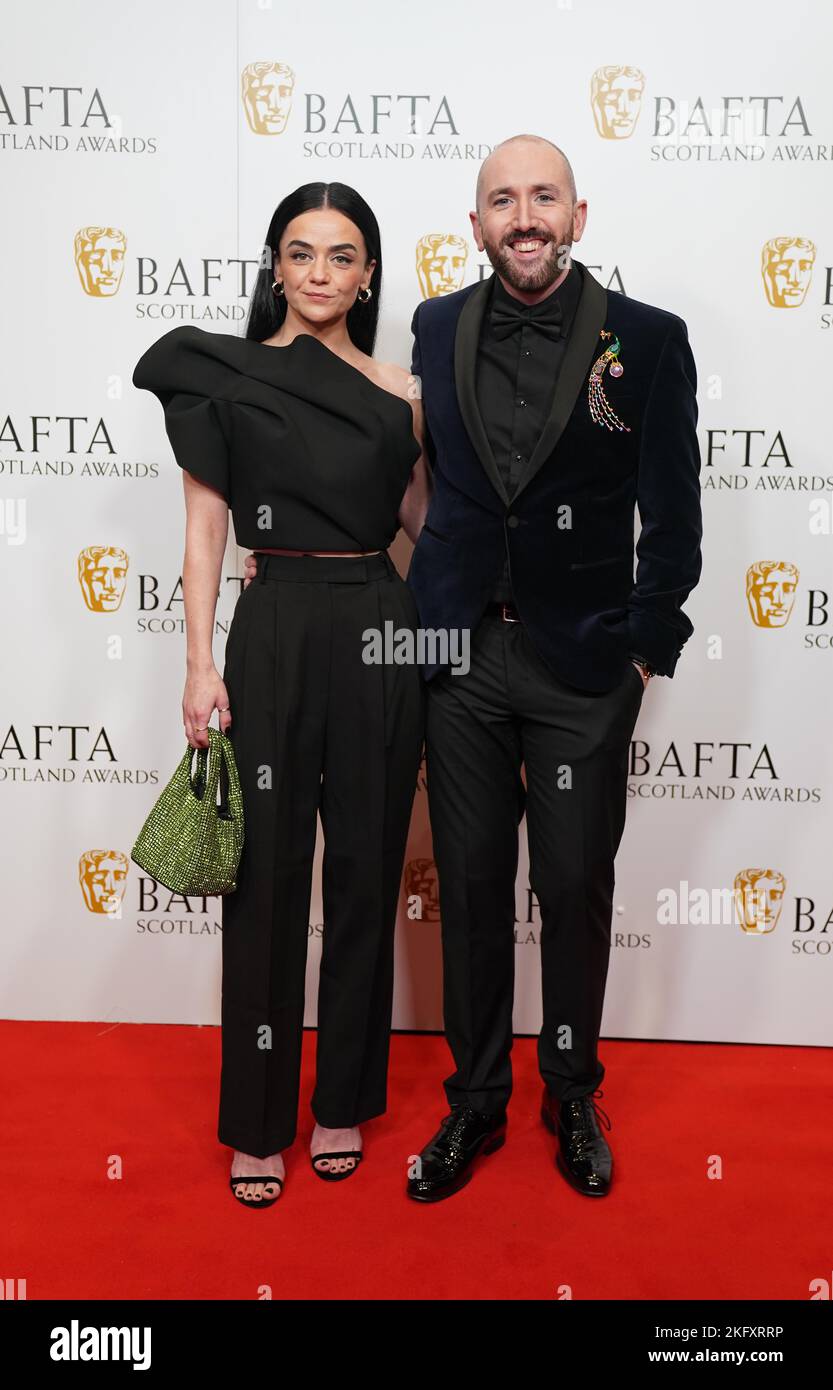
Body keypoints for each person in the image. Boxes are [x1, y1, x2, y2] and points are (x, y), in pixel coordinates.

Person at [400, 133, 703, 1200]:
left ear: (578, 216)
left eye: (542, 198)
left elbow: (672, 521)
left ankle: (568, 1090)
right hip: (462, 661)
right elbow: (429, 490)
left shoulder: (649, 340)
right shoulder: (433, 326)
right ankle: (474, 1104)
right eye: (500, 200)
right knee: (474, 891)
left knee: (571, 888)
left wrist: (636, 661)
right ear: (474, 222)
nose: (521, 217)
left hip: (584, 669)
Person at [133, 182, 430, 1208]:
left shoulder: (402, 392)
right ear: (275, 266)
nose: (318, 273)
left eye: (340, 256)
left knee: (363, 872)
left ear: (367, 275)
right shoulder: (227, 379)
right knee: (262, 886)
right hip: (270, 627)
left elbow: (427, 535)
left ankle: (340, 1101)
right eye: (299, 253)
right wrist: (197, 662)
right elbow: (207, 531)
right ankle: (260, 1124)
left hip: (377, 625)